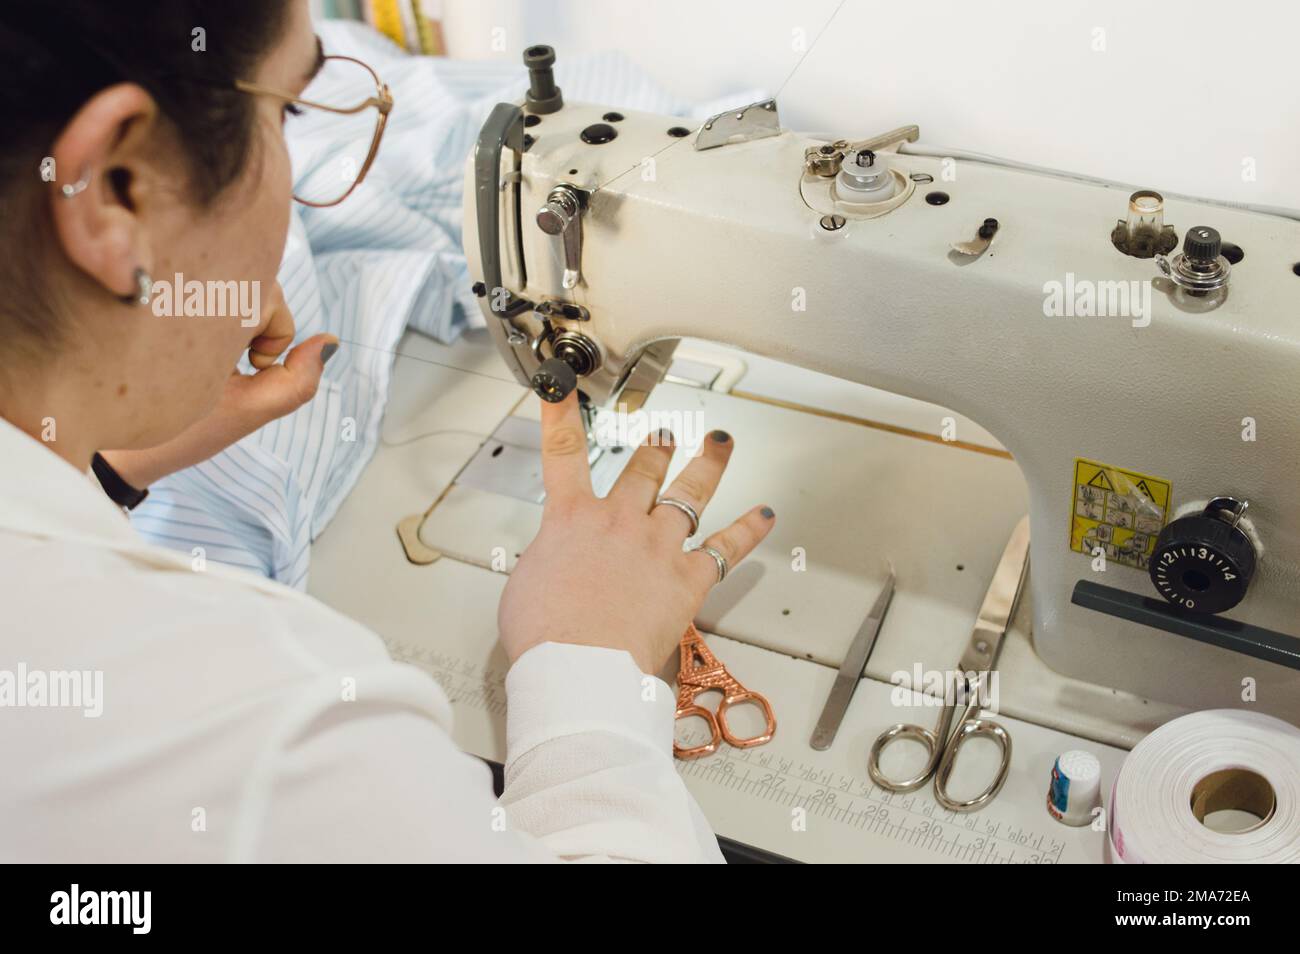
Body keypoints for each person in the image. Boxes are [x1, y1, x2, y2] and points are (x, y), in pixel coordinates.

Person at [0, 0, 774, 862]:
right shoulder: (259, 728)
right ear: (119, 190)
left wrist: (99, 469)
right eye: (289, 110)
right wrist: (590, 662)